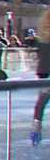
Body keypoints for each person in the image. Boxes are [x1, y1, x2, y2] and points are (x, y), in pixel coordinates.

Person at [31, 10, 50, 145]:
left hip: (44, 73)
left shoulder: (42, 38)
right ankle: (36, 130)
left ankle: (36, 129)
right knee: (41, 102)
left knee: (41, 103)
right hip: (46, 73)